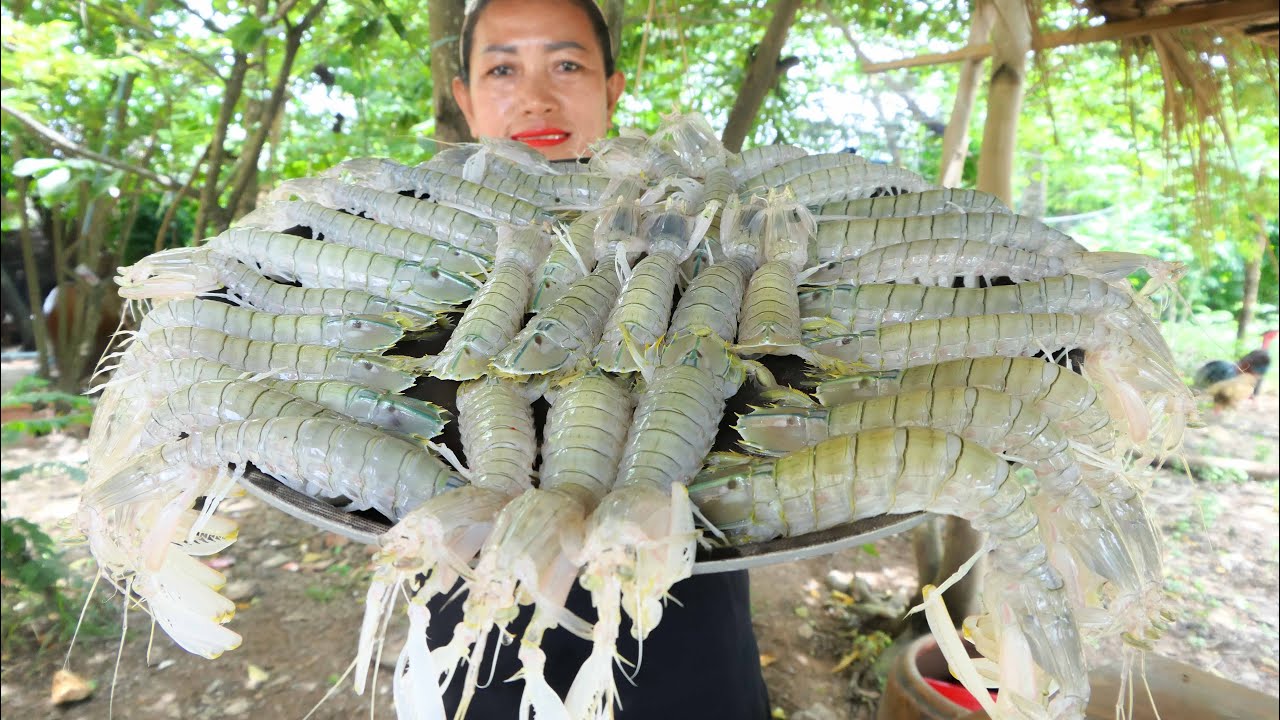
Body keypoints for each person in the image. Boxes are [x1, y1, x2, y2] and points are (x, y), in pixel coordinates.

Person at [425, 1, 772, 717]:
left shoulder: (710, 218)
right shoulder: (426, 238)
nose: (536, 96)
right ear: (464, 96)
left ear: (613, 88)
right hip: (473, 624)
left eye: (566, 64)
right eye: (502, 69)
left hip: (685, 633)